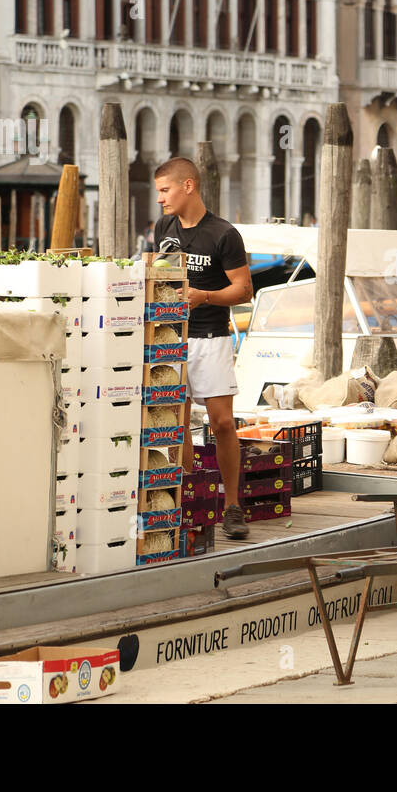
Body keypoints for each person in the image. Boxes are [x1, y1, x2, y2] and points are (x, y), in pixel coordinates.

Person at [153, 157, 254, 540]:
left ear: (188, 186)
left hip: (210, 338)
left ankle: (232, 505)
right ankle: (188, 499)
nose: (160, 199)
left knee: (222, 423)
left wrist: (203, 296)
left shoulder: (223, 234)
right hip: (170, 337)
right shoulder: (164, 228)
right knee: (178, 423)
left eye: (165, 190)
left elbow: (244, 291)